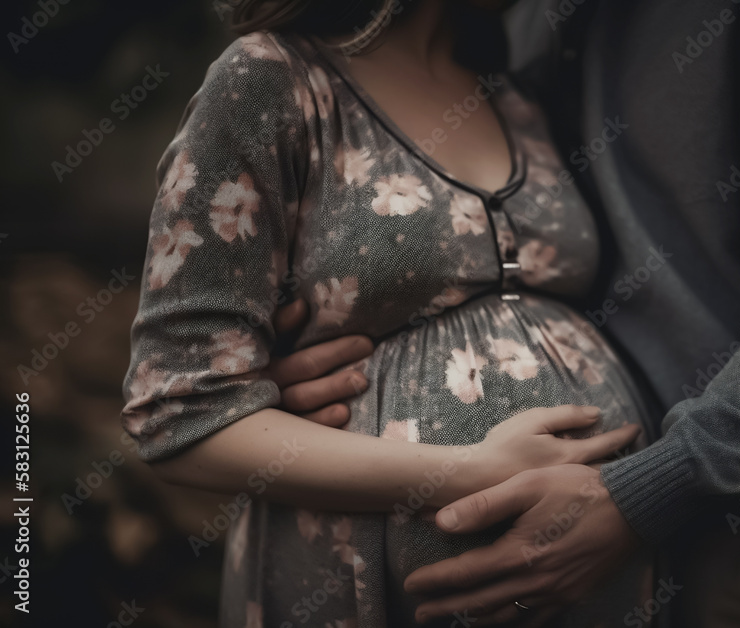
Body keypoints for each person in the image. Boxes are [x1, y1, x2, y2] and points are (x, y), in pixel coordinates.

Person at [277, 0, 740, 626]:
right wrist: (341, 351)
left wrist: (644, 495)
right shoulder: (520, 15)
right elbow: (523, 244)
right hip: (600, 521)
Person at [120, 0, 656, 626]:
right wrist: (470, 471)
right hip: (356, 586)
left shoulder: (515, 94)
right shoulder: (267, 79)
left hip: (604, 585)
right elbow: (178, 414)